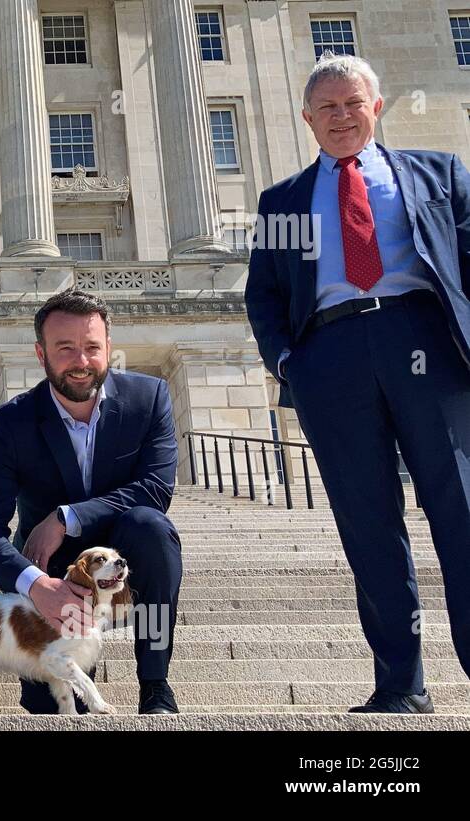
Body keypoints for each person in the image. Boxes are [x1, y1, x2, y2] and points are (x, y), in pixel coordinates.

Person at [245, 53, 470, 713]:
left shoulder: (438, 173)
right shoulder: (282, 201)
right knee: (368, 523)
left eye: (353, 103)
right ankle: (402, 683)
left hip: (425, 341)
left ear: (376, 107)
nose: (342, 117)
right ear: (308, 118)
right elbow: (264, 296)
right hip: (332, 353)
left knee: (460, 510)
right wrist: (291, 364)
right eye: (327, 108)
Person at [0, 289, 183, 714]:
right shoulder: (11, 422)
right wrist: (34, 584)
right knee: (52, 711)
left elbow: (156, 487)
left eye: (91, 348)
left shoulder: (149, 398)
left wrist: (67, 516)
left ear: (109, 349)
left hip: (126, 543)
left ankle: (155, 684)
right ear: (41, 353)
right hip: (51, 563)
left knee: (153, 528)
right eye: (65, 349)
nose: (81, 362)